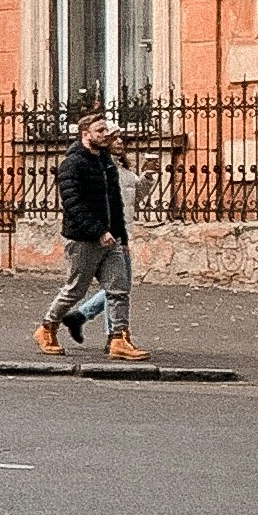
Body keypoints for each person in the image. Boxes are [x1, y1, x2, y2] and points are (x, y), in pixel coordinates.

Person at [38, 111, 149, 359]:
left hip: (112, 239)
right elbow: (73, 203)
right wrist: (98, 231)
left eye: (105, 130)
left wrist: (121, 237)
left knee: (118, 290)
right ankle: (47, 327)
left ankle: (118, 340)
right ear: (85, 134)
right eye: (99, 131)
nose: (105, 135)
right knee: (75, 289)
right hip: (83, 239)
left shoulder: (107, 163)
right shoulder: (72, 164)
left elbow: (116, 203)